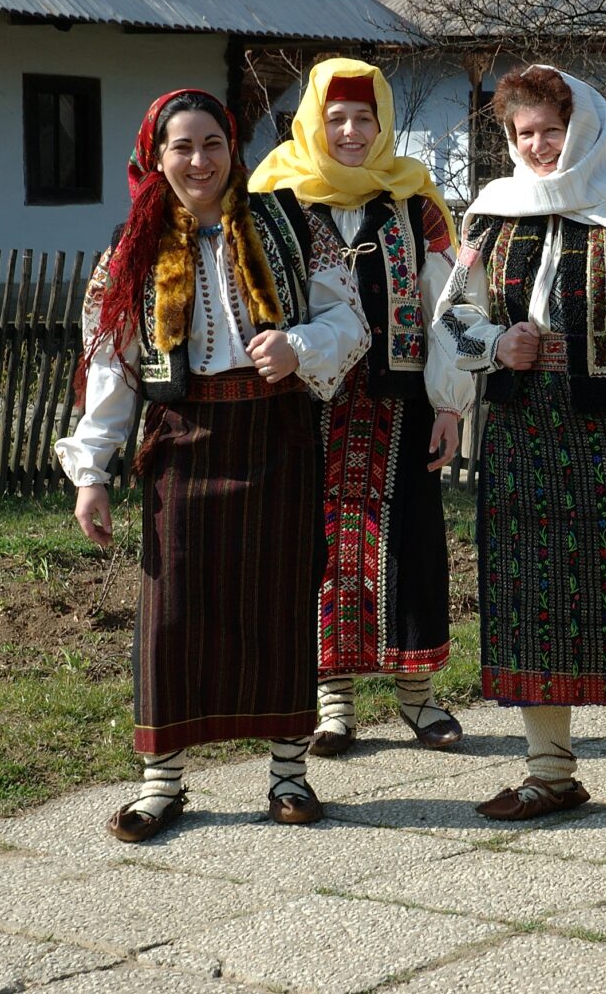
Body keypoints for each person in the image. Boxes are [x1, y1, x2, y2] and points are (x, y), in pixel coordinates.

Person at [57, 88, 369, 841]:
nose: (199, 161)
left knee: (279, 602)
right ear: (155, 158)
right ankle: (162, 784)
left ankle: (289, 775)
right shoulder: (132, 247)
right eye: (182, 147)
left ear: (236, 151)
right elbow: (111, 363)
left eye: (213, 145)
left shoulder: (292, 228)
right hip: (183, 440)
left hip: (275, 435)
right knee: (173, 613)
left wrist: (300, 346)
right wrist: (92, 472)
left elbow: (350, 319)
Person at [433, 65, 606, 820]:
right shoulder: (491, 215)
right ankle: (550, 771)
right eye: (524, 133)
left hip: (598, 436)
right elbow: (452, 317)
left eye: (551, 130)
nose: (539, 145)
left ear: (581, 126)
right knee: (525, 601)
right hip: (520, 433)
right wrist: (496, 341)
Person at [251, 58, 474, 757]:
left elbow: (451, 308)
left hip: (401, 405)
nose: (350, 131)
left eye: (364, 117)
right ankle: (333, 703)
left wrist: (451, 404)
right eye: (336, 118)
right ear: (313, 121)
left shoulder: (416, 203)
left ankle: (418, 698)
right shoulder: (275, 199)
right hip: (305, 409)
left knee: (410, 547)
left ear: (382, 122)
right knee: (318, 550)